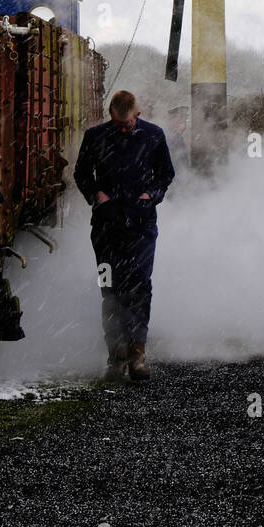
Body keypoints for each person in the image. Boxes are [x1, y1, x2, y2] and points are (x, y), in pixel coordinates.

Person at [74, 90, 175, 383]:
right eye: (118, 124)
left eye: (127, 124)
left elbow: (166, 175)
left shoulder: (153, 136)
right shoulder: (95, 137)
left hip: (141, 224)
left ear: (137, 116)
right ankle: (116, 354)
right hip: (106, 226)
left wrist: (149, 195)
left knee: (140, 286)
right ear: (110, 116)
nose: (123, 129)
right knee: (110, 288)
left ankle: (137, 354)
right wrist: (97, 195)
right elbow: (81, 173)